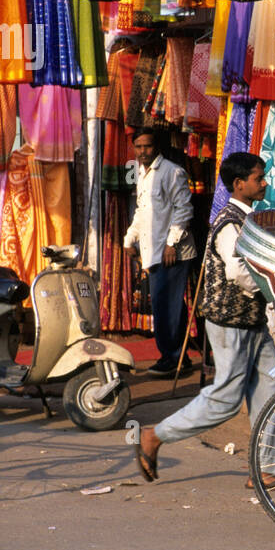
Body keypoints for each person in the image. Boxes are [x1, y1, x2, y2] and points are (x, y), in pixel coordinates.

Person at [134, 153, 275, 489]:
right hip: (231, 321)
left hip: (252, 321)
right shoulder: (230, 224)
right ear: (239, 184)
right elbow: (239, 273)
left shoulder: (248, 219)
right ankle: (154, 435)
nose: (264, 183)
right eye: (258, 178)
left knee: (273, 390)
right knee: (225, 399)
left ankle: (265, 470)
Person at [124, 128, 197, 377]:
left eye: (147, 146)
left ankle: (172, 357)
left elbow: (184, 210)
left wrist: (171, 244)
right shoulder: (139, 173)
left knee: (168, 305)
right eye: (138, 147)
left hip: (171, 252)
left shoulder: (172, 171)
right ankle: (178, 356)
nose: (143, 151)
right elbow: (141, 211)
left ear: (157, 147)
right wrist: (129, 238)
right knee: (164, 304)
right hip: (153, 249)